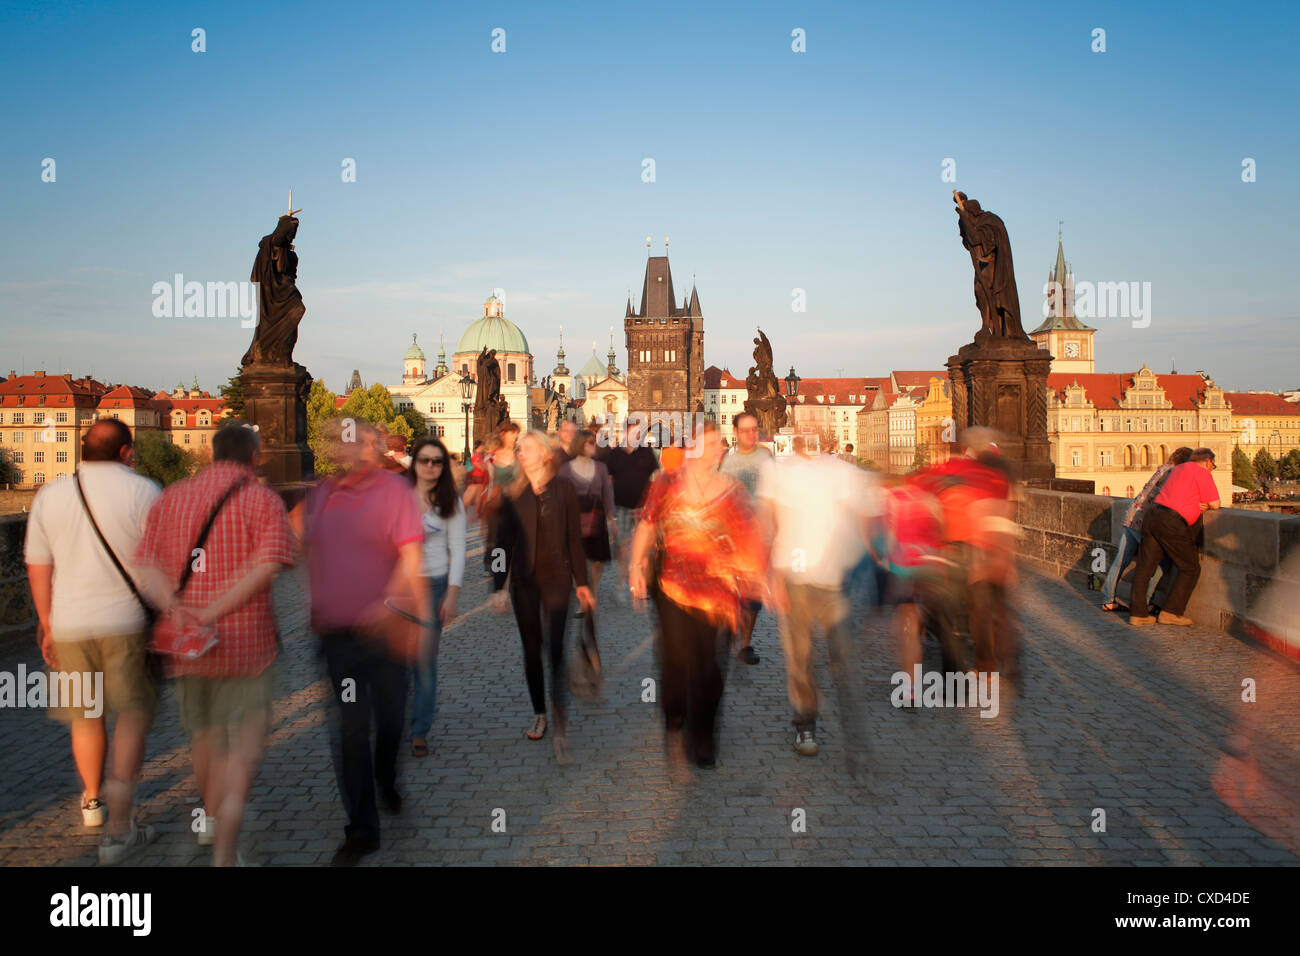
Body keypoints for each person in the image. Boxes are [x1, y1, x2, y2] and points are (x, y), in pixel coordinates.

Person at [135, 421, 295, 866]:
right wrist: (213, 612)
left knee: (204, 736)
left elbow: (144, 566)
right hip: (247, 645)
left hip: (187, 645)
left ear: (211, 454)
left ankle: (206, 818)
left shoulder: (170, 497)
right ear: (255, 458)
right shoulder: (262, 499)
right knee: (245, 743)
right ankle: (225, 849)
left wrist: (178, 610)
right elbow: (269, 565)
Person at [24, 419, 161, 864]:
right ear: (124, 452)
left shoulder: (51, 495)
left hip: (68, 624)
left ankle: (91, 801)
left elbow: (38, 566)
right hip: (125, 622)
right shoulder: (144, 492)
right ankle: (122, 821)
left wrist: (45, 623)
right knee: (133, 713)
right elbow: (160, 563)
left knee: (86, 716)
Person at [305, 420, 429, 866]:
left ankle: (386, 777)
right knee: (351, 730)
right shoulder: (322, 493)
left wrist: (388, 601)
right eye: (339, 441)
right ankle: (361, 829)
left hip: (388, 631)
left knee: (391, 721)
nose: (346, 448)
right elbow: (312, 550)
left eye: (354, 440)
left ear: (371, 447)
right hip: (339, 637)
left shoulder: (394, 492)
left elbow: (411, 557)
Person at [629, 422, 769, 772]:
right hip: (673, 589)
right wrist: (635, 564)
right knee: (677, 664)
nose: (719, 448)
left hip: (718, 595)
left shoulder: (733, 490)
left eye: (720, 443)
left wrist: (757, 577)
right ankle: (675, 721)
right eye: (710, 442)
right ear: (692, 447)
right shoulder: (666, 482)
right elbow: (647, 523)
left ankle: (703, 737)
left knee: (710, 671)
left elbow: (748, 537)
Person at [758, 435, 878, 760]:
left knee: (844, 657)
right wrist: (771, 575)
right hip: (794, 576)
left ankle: (854, 731)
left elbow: (867, 517)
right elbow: (768, 524)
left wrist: (864, 564)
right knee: (800, 656)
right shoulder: (777, 470)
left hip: (837, 580)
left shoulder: (844, 471)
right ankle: (805, 722)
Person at [490, 429, 595, 764]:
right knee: (532, 650)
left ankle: (560, 713)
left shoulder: (564, 489)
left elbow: (575, 540)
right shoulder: (512, 492)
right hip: (524, 581)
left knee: (556, 649)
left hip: (557, 580)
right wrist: (498, 587)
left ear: (545, 454)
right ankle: (540, 711)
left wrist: (582, 582)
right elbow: (500, 545)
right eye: (519, 449)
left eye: (528, 448)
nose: (521, 453)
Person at [404, 437, 465, 758]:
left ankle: (419, 728)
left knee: (424, 662)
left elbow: (458, 551)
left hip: (436, 584)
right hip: (400, 588)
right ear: (414, 463)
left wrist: (452, 594)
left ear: (443, 466)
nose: (430, 466)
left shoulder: (451, 502)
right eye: (424, 460)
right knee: (398, 659)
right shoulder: (398, 498)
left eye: (436, 461)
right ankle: (395, 718)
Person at [1129, 448, 1221, 628]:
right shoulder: (1202, 472)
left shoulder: (1179, 469)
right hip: (1171, 522)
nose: (1212, 469)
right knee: (1190, 567)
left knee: (1145, 567)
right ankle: (1172, 612)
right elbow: (1215, 504)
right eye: (1213, 466)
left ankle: (1138, 614)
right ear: (1208, 462)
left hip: (1153, 515)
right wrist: (1205, 506)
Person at [558, 428, 616, 694]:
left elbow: (607, 494)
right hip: (572, 520)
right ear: (582, 444)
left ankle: (590, 588)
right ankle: (582, 593)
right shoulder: (566, 469)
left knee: (598, 562)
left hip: (596, 517)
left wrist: (611, 518)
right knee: (576, 559)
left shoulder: (601, 469)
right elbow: (558, 496)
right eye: (591, 442)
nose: (595, 445)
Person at [1100, 447, 1193, 612]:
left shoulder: (1162, 469)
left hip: (1132, 515)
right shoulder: (1174, 473)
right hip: (1145, 522)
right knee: (1159, 563)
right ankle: (1145, 602)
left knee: (1121, 561)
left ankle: (1108, 598)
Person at [719, 411, 774, 664]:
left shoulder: (767, 458)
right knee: (732, 589)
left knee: (753, 595)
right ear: (735, 433)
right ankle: (730, 632)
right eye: (745, 430)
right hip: (734, 535)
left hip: (760, 535)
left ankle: (745, 644)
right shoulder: (728, 461)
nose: (751, 434)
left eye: (754, 429)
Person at [607, 421, 659, 602]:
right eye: (634, 433)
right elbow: (609, 481)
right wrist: (609, 510)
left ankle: (642, 583)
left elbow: (655, 478)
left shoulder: (646, 453)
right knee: (621, 547)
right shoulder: (614, 455)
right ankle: (622, 584)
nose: (638, 436)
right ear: (625, 433)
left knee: (644, 548)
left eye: (640, 434)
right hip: (621, 507)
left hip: (643, 510)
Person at [479, 422, 520, 569]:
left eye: (516, 433)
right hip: (496, 505)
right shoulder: (492, 457)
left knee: (517, 540)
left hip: (517, 504)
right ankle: (498, 574)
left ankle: (514, 570)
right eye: (511, 433)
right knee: (497, 539)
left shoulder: (520, 455)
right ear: (503, 434)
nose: (515, 437)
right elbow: (485, 485)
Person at [462, 439, 489, 511]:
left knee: (477, 496)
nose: (483, 447)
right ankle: (473, 512)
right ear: (479, 446)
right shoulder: (477, 455)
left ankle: (474, 513)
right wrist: (484, 467)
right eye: (482, 445)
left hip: (477, 477)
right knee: (476, 496)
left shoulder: (478, 455)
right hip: (477, 477)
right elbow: (478, 464)